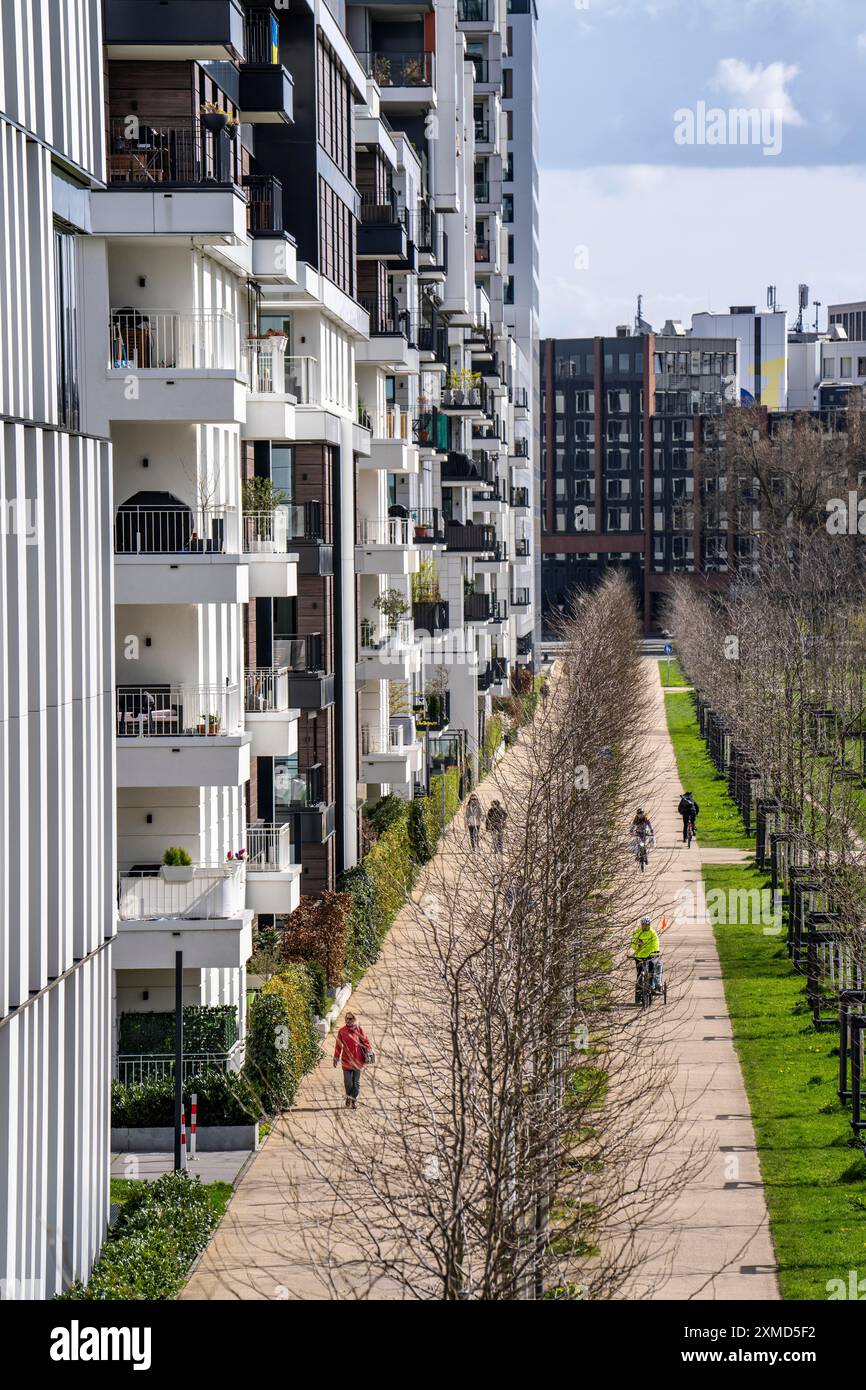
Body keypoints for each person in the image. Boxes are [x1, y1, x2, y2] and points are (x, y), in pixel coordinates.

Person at [333, 1012, 372, 1109]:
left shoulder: (358, 1029)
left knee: (356, 1083)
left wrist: (369, 1052)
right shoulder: (342, 1031)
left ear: (354, 1019)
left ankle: (353, 1100)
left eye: (350, 1019)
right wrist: (336, 1057)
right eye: (347, 1019)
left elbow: (365, 1041)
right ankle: (348, 1096)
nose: (348, 1020)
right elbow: (338, 1045)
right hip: (346, 1061)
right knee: (348, 1082)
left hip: (358, 1061)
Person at [630, 914, 662, 996]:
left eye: (647, 925)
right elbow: (633, 943)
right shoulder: (637, 932)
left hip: (650, 956)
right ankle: (638, 990)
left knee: (651, 971)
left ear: (649, 925)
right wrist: (637, 945)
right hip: (639, 956)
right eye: (643, 925)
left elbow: (655, 945)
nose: (645, 926)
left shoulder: (653, 933)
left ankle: (651, 986)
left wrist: (654, 952)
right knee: (639, 973)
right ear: (641, 925)